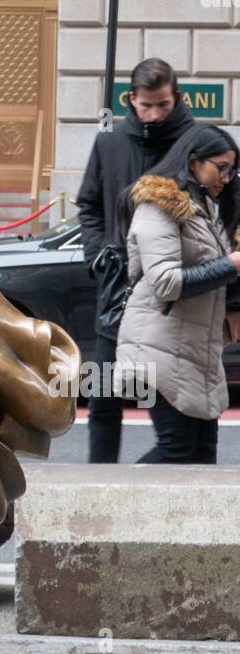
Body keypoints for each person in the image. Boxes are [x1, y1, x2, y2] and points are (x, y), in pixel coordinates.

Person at [76, 58, 194, 462]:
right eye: (146, 105)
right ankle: (97, 493)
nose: (154, 114)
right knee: (104, 402)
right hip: (116, 293)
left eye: (162, 104)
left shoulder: (194, 142)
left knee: (173, 420)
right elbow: (88, 206)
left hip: (170, 298)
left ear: (176, 97)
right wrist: (98, 255)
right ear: (131, 99)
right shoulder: (109, 140)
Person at [113, 125, 240, 464]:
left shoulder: (205, 210)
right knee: (176, 449)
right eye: (222, 167)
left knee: (202, 456)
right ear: (194, 162)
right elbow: (165, 282)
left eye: (233, 170)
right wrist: (231, 265)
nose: (227, 178)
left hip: (196, 351)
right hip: (159, 347)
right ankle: (114, 504)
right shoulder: (158, 206)